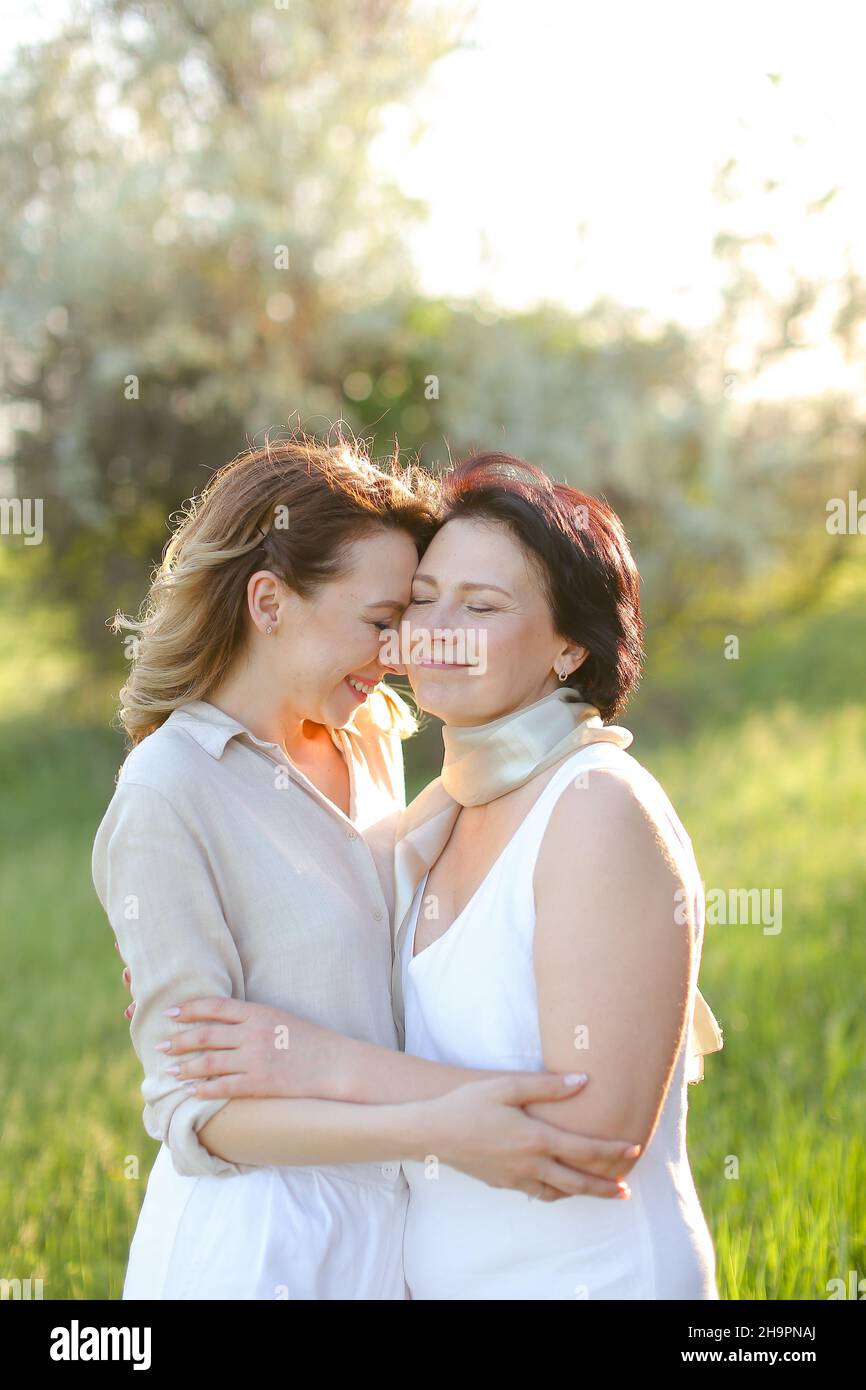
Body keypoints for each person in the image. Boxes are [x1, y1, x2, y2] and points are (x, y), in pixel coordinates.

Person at [95, 436, 640, 1301]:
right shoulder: (168, 788)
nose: (399, 652)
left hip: (394, 1230)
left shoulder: (372, 732)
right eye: (382, 619)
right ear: (270, 601)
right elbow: (194, 1113)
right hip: (263, 1241)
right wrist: (436, 1124)